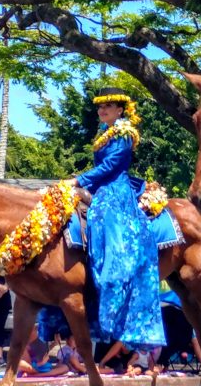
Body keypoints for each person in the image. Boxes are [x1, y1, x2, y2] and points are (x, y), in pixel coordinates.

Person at [62, 87, 165, 350]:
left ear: (120, 109)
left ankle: (115, 272)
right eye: (100, 107)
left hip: (114, 191)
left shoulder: (123, 132)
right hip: (101, 186)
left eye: (107, 106)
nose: (102, 111)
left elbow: (111, 166)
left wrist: (79, 179)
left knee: (101, 214)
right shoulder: (105, 132)